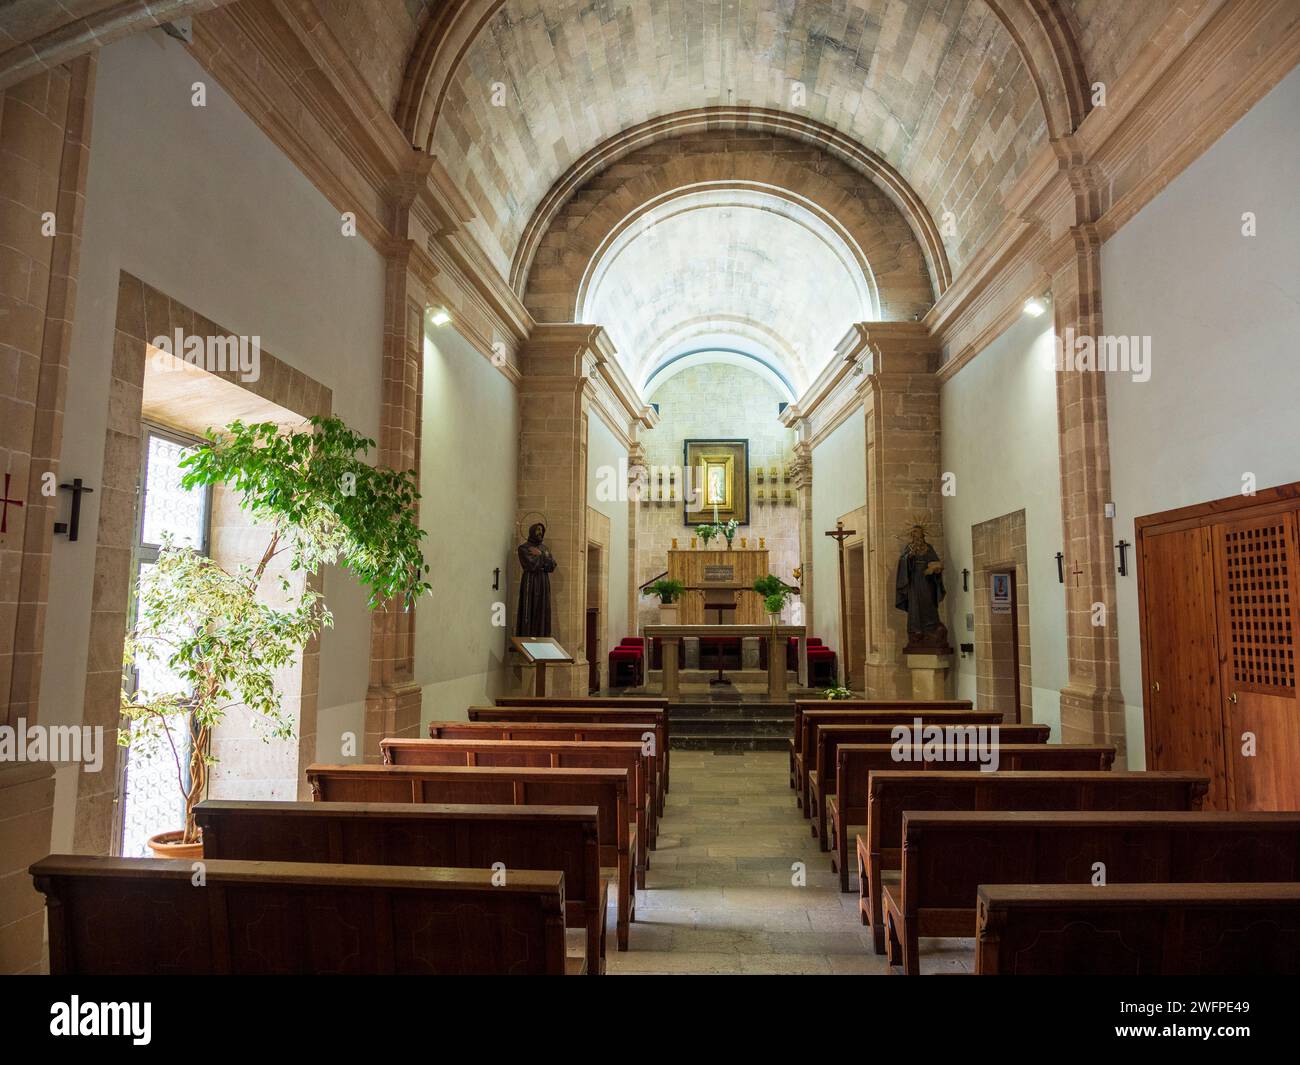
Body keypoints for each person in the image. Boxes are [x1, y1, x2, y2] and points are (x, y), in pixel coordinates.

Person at [894, 524, 952, 653]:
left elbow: (935, 562)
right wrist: (909, 557)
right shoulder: (908, 548)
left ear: (922, 534)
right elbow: (903, 562)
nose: (916, 535)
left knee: (929, 603)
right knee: (915, 605)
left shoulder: (928, 548)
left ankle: (931, 628)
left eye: (918, 532)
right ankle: (916, 630)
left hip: (927, 581)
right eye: (914, 532)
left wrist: (936, 569)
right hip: (914, 581)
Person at [516, 522, 556, 636]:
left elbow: (552, 566)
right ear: (532, 531)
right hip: (531, 582)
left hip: (543, 581)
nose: (540, 532)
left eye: (542, 530)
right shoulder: (523, 548)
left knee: (543, 609)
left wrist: (541, 554)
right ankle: (528, 636)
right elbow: (531, 565)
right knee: (530, 608)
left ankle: (542, 635)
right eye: (538, 530)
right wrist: (544, 557)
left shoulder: (544, 548)